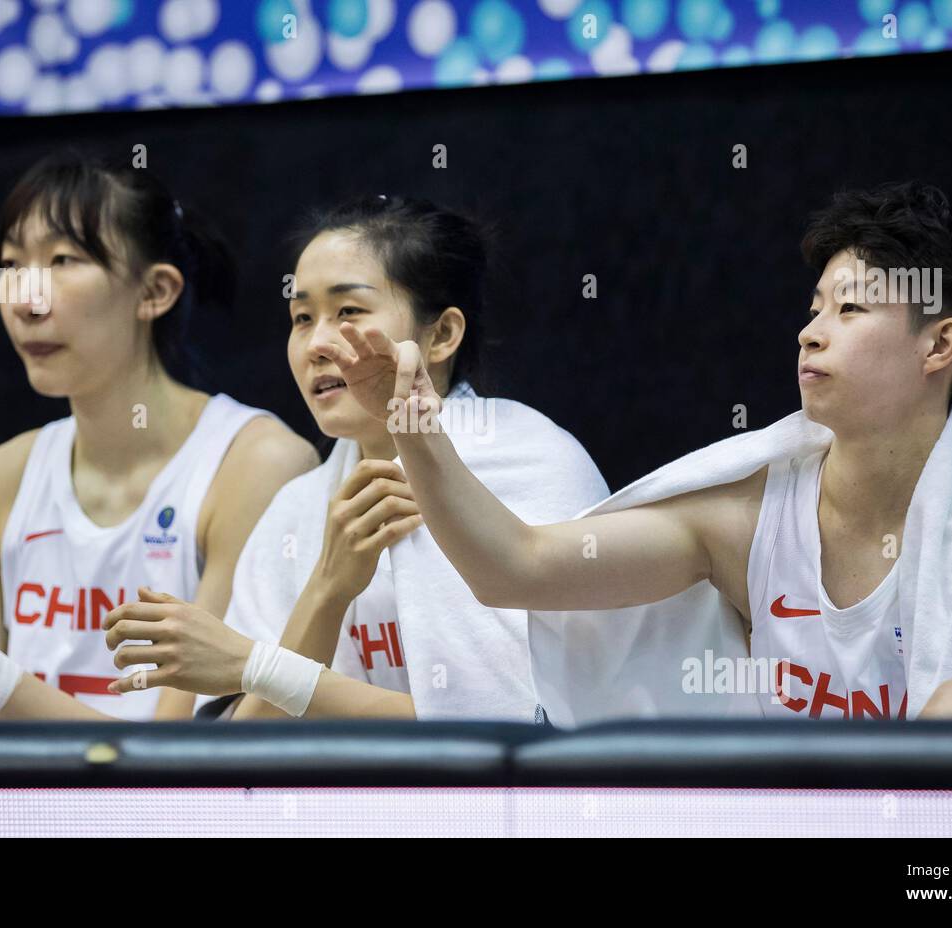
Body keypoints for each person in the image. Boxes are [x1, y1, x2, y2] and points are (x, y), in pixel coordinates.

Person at [317, 181, 952, 722]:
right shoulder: (751, 511)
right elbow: (514, 567)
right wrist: (413, 428)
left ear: (939, 345)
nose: (811, 331)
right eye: (814, 307)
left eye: (851, 309)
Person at [0, 149, 317, 721]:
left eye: (62, 260)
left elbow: (181, 762)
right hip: (9, 814)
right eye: (11, 266)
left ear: (155, 292)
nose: (27, 300)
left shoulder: (255, 465)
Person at [102, 195, 611, 720]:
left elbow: (516, 728)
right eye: (301, 317)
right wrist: (329, 587)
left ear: (442, 335)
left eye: (348, 311)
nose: (317, 344)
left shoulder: (529, 460)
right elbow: (243, 754)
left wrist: (257, 664)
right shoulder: (294, 511)